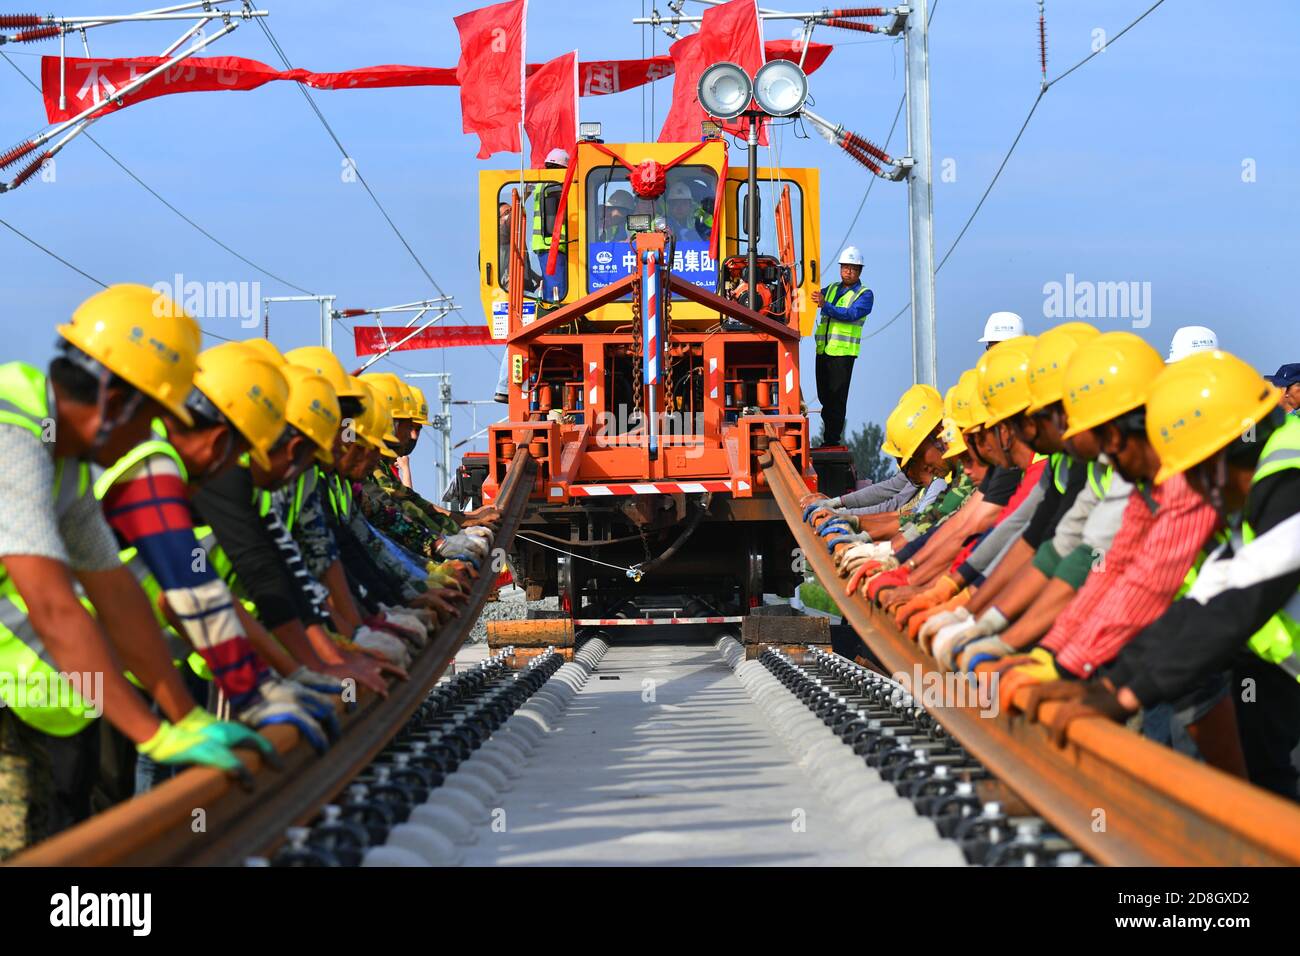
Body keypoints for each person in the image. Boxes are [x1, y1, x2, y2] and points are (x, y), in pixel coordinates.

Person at [0, 286, 262, 857]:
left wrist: (185, 719)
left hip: (32, 707)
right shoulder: (12, 431)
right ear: (114, 399)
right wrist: (154, 735)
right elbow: (52, 605)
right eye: (150, 418)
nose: (150, 436)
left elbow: (115, 591)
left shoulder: (64, 462)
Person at [1031, 351, 1300, 799]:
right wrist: (1114, 684)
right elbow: (1201, 603)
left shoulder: (1287, 478)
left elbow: (1246, 596)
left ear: (1216, 458)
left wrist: (1122, 697)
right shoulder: (1253, 489)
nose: (1191, 492)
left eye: (1192, 474)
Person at [812, 246, 873, 446]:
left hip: (843, 354)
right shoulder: (830, 289)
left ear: (859, 272)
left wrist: (825, 305)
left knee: (836, 398)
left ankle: (832, 440)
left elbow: (850, 314)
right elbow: (811, 296)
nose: (848, 271)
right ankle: (828, 437)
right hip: (823, 350)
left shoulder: (865, 295)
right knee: (824, 396)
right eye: (845, 267)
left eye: (853, 268)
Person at [531, 147, 570, 303]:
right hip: (554, 245)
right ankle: (557, 321)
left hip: (546, 245)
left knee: (552, 287)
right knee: (557, 293)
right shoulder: (555, 186)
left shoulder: (541, 184)